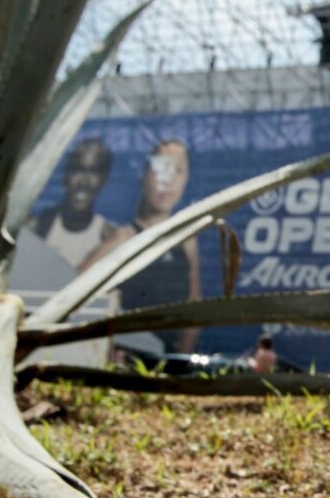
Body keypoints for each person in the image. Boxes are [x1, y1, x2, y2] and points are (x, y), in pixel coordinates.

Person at [82, 138, 203, 353]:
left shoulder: (187, 241)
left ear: (187, 178)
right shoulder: (122, 240)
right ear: (145, 175)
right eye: (160, 169)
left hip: (169, 362)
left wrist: (181, 357)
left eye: (178, 171)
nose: (167, 181)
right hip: (129, 359)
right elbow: (73, 290)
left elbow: (194, 305)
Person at [32, 137, 119, 268]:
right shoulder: (36, 229)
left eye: (93, 172)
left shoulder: (110, 237)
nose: (84, 181)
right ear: (66, 175)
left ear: (104, 179)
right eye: (78, 170)